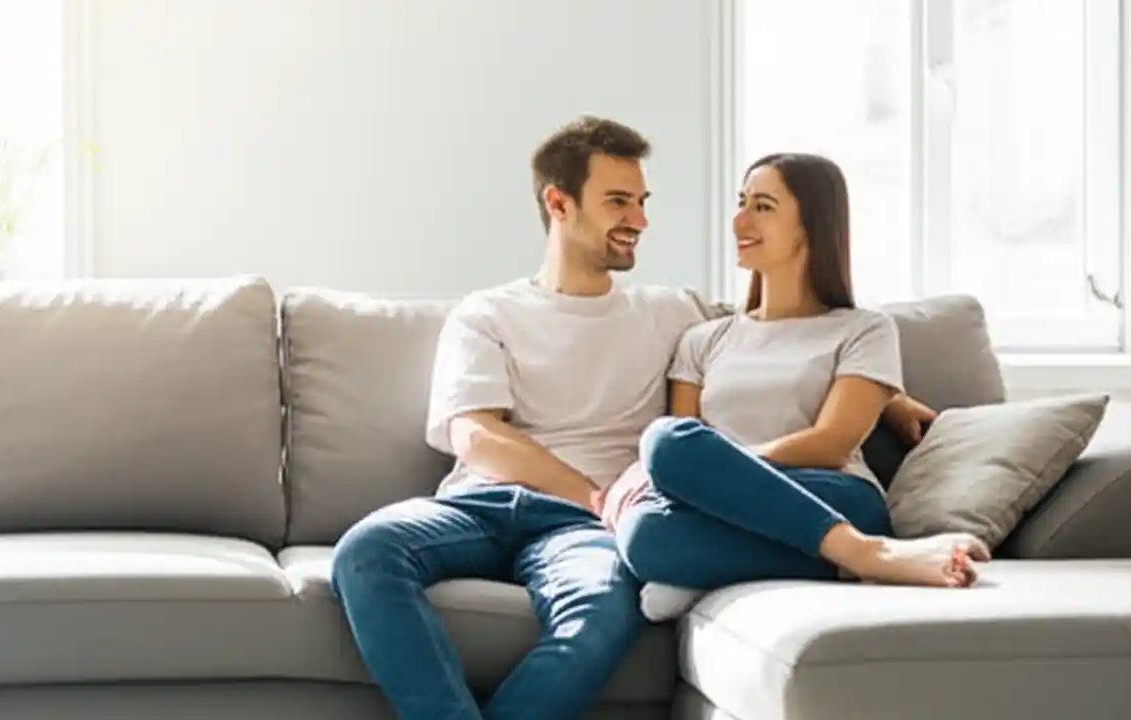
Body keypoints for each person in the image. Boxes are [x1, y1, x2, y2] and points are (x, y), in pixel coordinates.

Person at [328, 119, 940, 720]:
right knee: (365, 551)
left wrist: (889, 397)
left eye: (642, 202)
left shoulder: (673, 314)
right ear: (559, 203)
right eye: (618, 201)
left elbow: (789, 328)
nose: (640, 221)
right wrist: (593, 494)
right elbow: (476, 434)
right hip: (484, 505)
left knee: (600, 613)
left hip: (584, 531)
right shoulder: (487, 313)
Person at [608, 153, 991, 608]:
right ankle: (857, 559)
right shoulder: (703, 340)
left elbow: (831, 443)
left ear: (811, 225)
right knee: (647, 528)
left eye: (763, 207)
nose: (739, 221)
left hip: (829, 493)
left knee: (667, 446)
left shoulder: (864, 330)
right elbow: (682, 453)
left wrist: (724, 467)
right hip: (724, 503)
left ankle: (862, 550)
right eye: (742, 202)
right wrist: (702, 475)